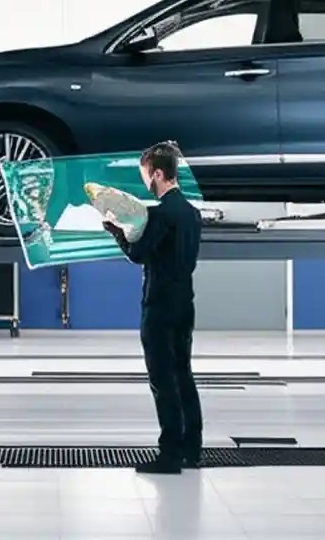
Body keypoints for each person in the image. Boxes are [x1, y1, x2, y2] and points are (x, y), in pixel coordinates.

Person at [102, 141, 203, 474]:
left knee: (162, 379)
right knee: (184, 375)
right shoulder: (192, 214)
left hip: (159, 305)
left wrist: (116, 231)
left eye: (146, 175)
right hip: (185, 302)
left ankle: (169, 453)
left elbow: (138, 254)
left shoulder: (161, 214)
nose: (146, 182)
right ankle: (192, 448)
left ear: (158, 173)